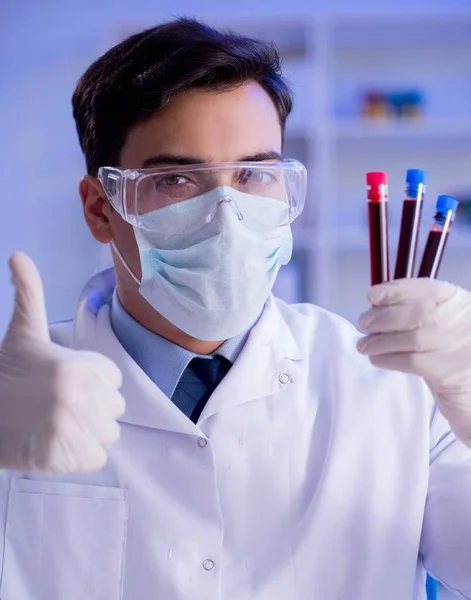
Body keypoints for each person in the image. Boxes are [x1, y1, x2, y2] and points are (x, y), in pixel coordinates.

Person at [0, 17, 470, 600]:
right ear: (101, 207)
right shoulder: (22, 400)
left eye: (253, 174)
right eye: (175, 179)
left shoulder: (394, 388)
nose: (228, 214)